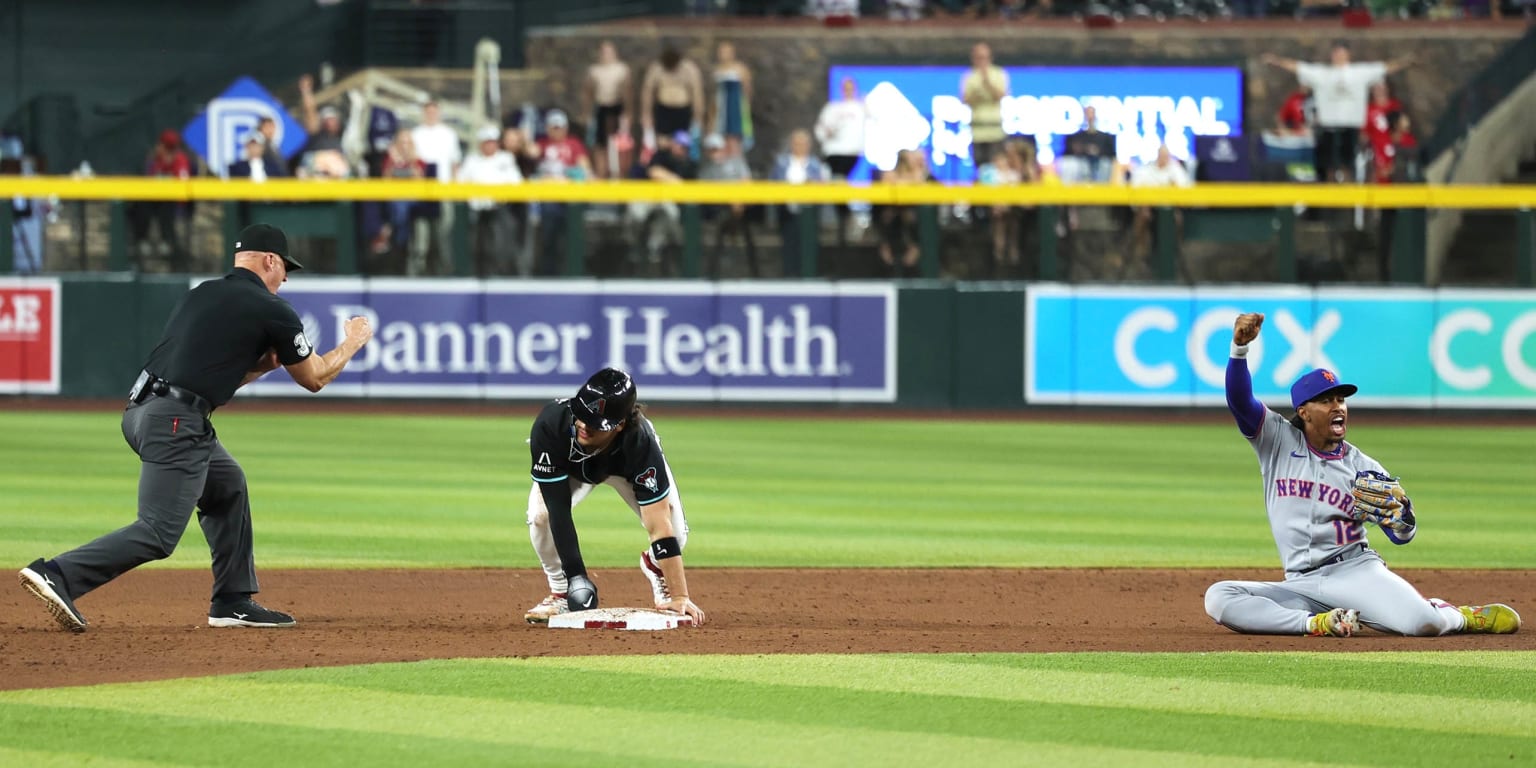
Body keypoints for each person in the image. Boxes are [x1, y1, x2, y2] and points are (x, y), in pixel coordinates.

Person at [17, 224, 375, 633]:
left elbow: (208, 376)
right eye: (285, 268)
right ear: (270, 261)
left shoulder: (202, 294)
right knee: (158, 531)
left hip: (143, 411)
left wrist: (260, 367)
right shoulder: (273, 308)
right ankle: (58, 573)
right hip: (176, 420)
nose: (286, 278)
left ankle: (232, 602)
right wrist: (354, 341)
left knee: (227, 486)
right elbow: (314, 377)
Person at [1203, 312, 1521, 638]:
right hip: (1299, 582)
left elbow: (1402, 536)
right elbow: (1240, 401)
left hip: (1356, 572)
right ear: (1303, 412)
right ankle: (1317, 623)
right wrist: (1239, 350)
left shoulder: (1363, 467)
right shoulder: (1278, 442)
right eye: (1326, 400)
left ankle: (1460, 616)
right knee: (1220, 597)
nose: (1338, 406)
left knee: (1422, 624)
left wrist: (1403, 517)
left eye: (1341, 399)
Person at [522, 368, 706, 626]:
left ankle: (655, 566)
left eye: (594, 422)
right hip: (571, 469)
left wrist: (680, 596)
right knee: (541, 516)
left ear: (619, 424)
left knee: (676, 534)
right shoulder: (551, 426)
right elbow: (558, 510)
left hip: (623, 467)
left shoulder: (639, 445)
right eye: (582, 415)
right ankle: (560, 592)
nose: (583, 425)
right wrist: (576, 579)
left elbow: (659, 525)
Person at [1263, 44, 1415, 183]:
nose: (1339, 57)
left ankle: (1347, 198)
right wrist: (1276, 61)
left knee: (1348, 166)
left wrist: (1405, 62)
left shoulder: (1359, 72)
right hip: (1327, 127)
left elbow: (1384, 68)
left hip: (1350, 128)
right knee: (1326, 167)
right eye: (1336, 54)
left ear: (1348, 55)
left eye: (1342, 54)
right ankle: (1329, 198)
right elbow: (1298, 67)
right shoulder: (1322, 73)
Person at [457, 124, 524, 277]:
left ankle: (502, 274)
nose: (489, 145)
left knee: (501, 245)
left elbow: (516, 183)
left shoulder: (506, 158)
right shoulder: (472, 160)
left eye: (492, 142)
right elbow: (460, 183)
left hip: (499, 208)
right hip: (476, 209)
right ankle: (476, 274)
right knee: (476, 246)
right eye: (486, 142)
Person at [814, 76, 871, 246]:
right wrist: (826, 134)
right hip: (832, 152)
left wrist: (866, 104)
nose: (848, 90)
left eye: (850, 87)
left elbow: (876, 118)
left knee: (837, 181)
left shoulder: (861, 107)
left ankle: (848, 219)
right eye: (845, 87)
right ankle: (848, 219)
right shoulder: (832, 107)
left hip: (851, 153)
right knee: (835, 184)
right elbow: (820, 129)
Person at [412, 99, 464, 274]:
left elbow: (454, 163)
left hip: (443, 189)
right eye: (428, 111)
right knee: (421, 237)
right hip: (421, 191)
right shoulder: (416, 134)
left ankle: (445, 272)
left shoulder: (449, 134)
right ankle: (418, 273)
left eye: (434, 111)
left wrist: (455, 188)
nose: (431, 115)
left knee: (444, 236)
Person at [770, 129, 830, 278]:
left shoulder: (816, 164)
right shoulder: (782, 163)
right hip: (787, 209)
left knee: (808, 244)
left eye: (803, 144)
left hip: (809, 210)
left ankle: (809, 274)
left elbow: (822, 185)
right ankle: (789, 275)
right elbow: (774, 183)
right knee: (789, 242)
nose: (800, 147)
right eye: (797, 143)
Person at [128, 129, 192, 269]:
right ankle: (141, 241)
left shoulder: (180, 159)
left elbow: (183, 183)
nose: (161, 148)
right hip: (155, 200)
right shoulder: (155, 159)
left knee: (166, 208)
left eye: (167, 147)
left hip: (176, 202)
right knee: (140, 205)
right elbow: (149, 179)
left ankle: (167, 242)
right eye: (163, 145)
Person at [699, 133, 758, 278]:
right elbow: (705, 190)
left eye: (716, 149)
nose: (714, 153)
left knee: (743, 220)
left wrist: (737, 198)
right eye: (711, 150)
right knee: (723, 223)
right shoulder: (706, 168)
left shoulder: (736, 162)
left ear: (723, 148)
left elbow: (747, 182)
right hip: (718, 208)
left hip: (742, 206)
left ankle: (753, 272)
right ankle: (713, 272)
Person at [640, 45, 705, 157]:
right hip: (664, 111)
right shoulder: (656, 69)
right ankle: (663, 162)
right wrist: (646, 114)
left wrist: (698, 117)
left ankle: (680, 165)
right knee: (662, 143)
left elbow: (697, 93)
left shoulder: (689, 69)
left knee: (682, 144)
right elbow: (648, 92)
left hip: (682, 111)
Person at [583, 40, 633, 181]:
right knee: (600, 144)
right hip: (601, 107)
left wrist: (628, 112)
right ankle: (601, 173)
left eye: (609, 51)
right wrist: (587, 113)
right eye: (604, 52)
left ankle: (619, 175)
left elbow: (628, 92)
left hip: (617, 107)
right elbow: (588, 93)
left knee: (621, 143)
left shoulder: (622, 70)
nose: (607, 55)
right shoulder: (594, 71)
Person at [961, 42, 1009, 169]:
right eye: (978, 57)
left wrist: (987, 83)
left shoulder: (998, 73)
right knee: (980, 167)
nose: (981, 61)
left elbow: (1001, 95)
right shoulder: (969, 76)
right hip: (977, 131)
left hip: (995, 130)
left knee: (997, 166)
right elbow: (965, 99)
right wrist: (978, 90)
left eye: (984, 57)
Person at [707, 41, 754, 151]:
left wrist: (745, 106)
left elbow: (747, 89)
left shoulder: (741, 68)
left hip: (735, 103)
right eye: (721, 52)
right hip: (720, 103)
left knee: (735, 132)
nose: (723, 55)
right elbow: (713, 92)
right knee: (719, 131)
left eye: (726, 52)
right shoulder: (716, 70)